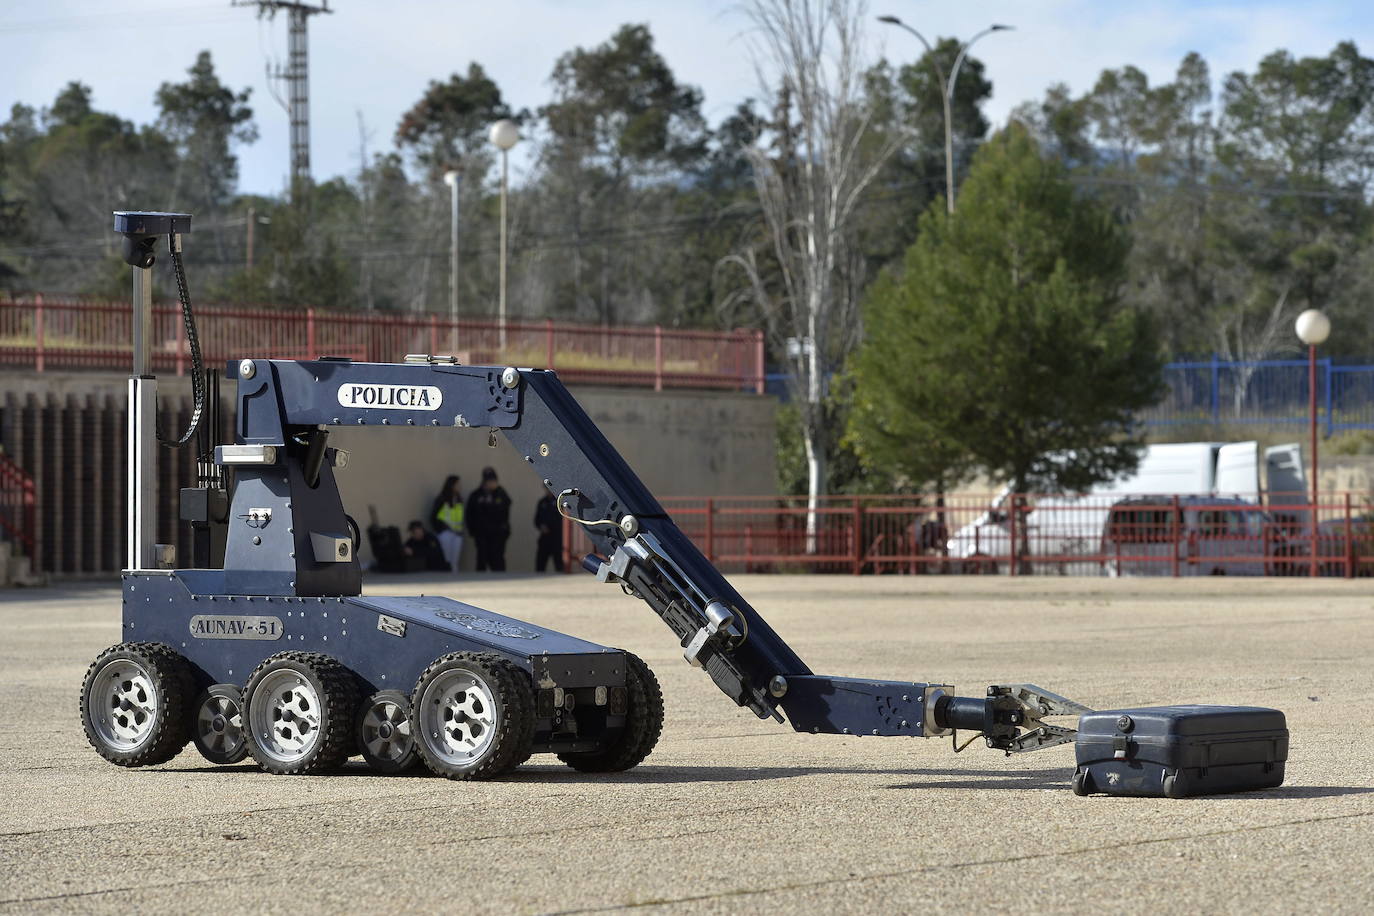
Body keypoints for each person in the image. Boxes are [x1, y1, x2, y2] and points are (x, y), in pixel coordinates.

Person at [465, 467, 512, 572]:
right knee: (482, 558)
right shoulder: (476, 495)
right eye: (489, 481)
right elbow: (469, 514)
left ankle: (500, 579)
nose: (491, 483)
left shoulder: (501, 493)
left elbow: (506, 506)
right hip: (481, 533)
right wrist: (472, 530)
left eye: (493, 481)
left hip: (498, 534)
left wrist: (496, 493)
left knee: (497, 559)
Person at [430, 475, 465, 574]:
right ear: (451, 485)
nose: (459, 486)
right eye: (457, 484)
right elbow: (433, 517)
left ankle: (455, 578)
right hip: (445, 533)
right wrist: (441, 529)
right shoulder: (441, 499)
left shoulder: (459, 499)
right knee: (446, 559)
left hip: (457, 534)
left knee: (455, 561)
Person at [534, 492, 565, 572]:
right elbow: (537, 520)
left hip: (556, 537)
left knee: (559, 563)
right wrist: (541, 526)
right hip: (545, 537)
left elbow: (561, 519)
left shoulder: (560, 502)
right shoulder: (542, 502)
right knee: (540, 563)